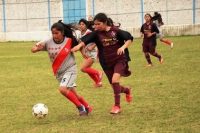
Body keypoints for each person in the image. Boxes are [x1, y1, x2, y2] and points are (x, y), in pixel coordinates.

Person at [71, 13, 133, 114]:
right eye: (94, 24)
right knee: (114, 86)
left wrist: (123, 47)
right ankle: (126, 90)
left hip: (119, 60)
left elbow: (129, 38)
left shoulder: (115, 31)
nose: (95, 26)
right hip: (106, 63)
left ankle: (117, 106)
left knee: (114, 80)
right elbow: (86, 39)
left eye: (98, 24)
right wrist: (78, 47)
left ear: (104, 23)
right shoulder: (96, 33)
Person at [31, 21, 92, 116]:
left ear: (62, 32)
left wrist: (83, 53)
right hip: (59, 73)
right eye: (53, 33)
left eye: (56, 33)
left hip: (70, 69)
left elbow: (80, 44)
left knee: (62, 89)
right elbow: (34, 49)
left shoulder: (69, 40)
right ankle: (87, 107)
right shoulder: (48, 42)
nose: (54, 35)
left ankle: (80, 107)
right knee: (74, 94)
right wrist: (35, 48)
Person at [78, 18, 103, 87]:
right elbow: (81, 44)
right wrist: (82, 53)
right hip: (86, 54)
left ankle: (99, 72)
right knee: (87, 69)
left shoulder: (89, 32)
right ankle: (98, 82)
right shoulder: (80, 34)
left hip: (92, 53)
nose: (81, 25)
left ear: (86, 25)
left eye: (83, 24)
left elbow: (98, 40)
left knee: (83, 69)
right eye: (80, 24)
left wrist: (92, 46)